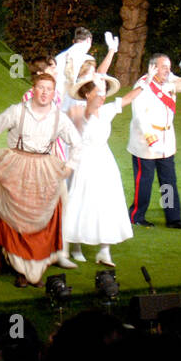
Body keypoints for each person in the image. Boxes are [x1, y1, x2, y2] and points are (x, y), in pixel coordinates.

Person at [0, 72, 81, 287]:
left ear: (54, 93)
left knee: (39, 219)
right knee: (15, 216)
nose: (44, 93)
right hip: (16, 165)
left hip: (44, 168)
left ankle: (32, 268)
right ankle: (17, 266)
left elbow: (77, 143)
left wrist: (71, 165)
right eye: (41, 87)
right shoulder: (18, 111)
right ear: (33, 89)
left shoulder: (59, 117)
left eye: (49, 89)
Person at [62, 69, 140, 267]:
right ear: (88, 93)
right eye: (98, 90)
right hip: (83, 161)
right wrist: (95, 93)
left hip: (104, 161)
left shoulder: (106, 110)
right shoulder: (79, 111)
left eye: (104, 91)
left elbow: (128, 98)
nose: (102, 95)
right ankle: (76, 245)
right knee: (82, 201)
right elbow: (88, 112)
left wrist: (146, 81)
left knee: (107, 202)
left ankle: (105, 251)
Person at [127, 53, 181, 229]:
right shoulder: (142, 85)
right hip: (145, 142)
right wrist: (151, 139)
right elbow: (139, 115)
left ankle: (172, 217)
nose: (167, 70)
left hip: (166, 141)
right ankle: (137, 215)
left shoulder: (169, 80)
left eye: (169, 67)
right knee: (144, 181)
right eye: (163, 67)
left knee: (168, 181)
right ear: (153, 67)